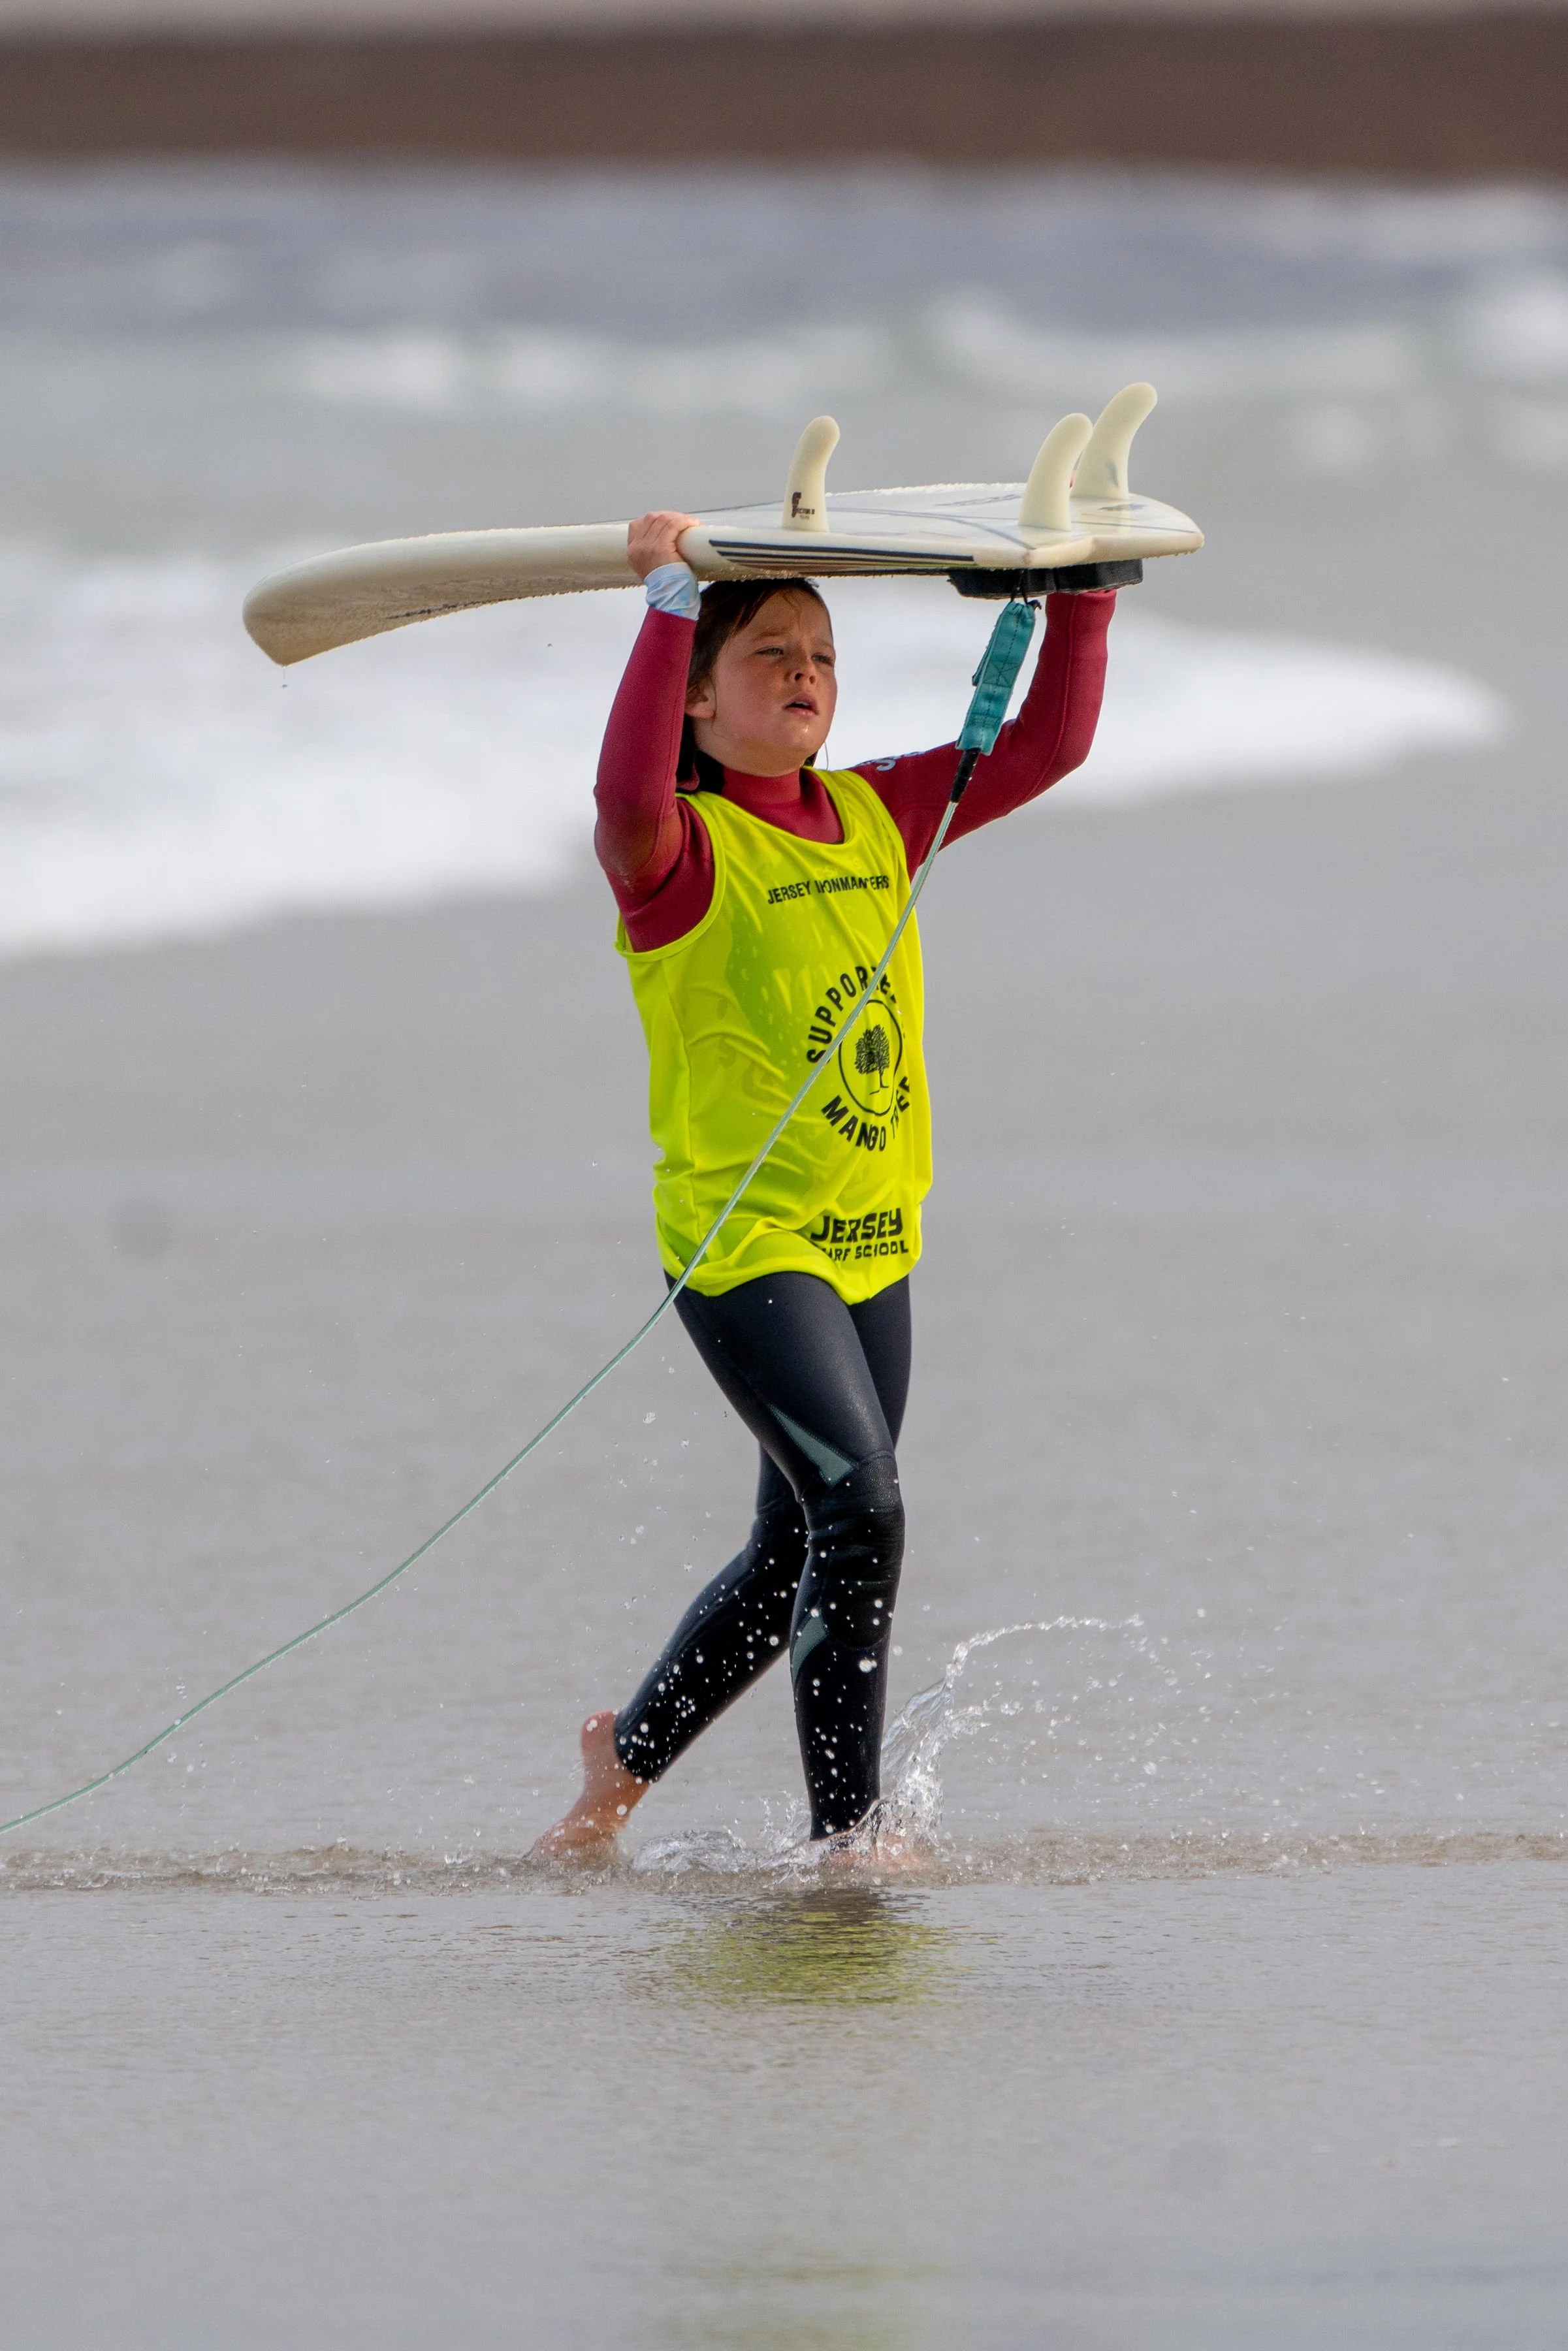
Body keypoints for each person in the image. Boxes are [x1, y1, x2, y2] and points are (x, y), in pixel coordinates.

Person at [534, 511, 1115, 1859]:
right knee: (863, 1510)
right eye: (771, 655)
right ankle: (847, 1840)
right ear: (698, 698)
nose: (806, 673)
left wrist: (1079, 598)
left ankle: (614, 1774)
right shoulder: (676, 858)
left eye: (824, 656)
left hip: (871, 1239)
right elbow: (620, 801)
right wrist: (670, 597)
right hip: (748, 1247)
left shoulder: (877, 811)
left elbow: (1047, 745)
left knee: (799, 1544)